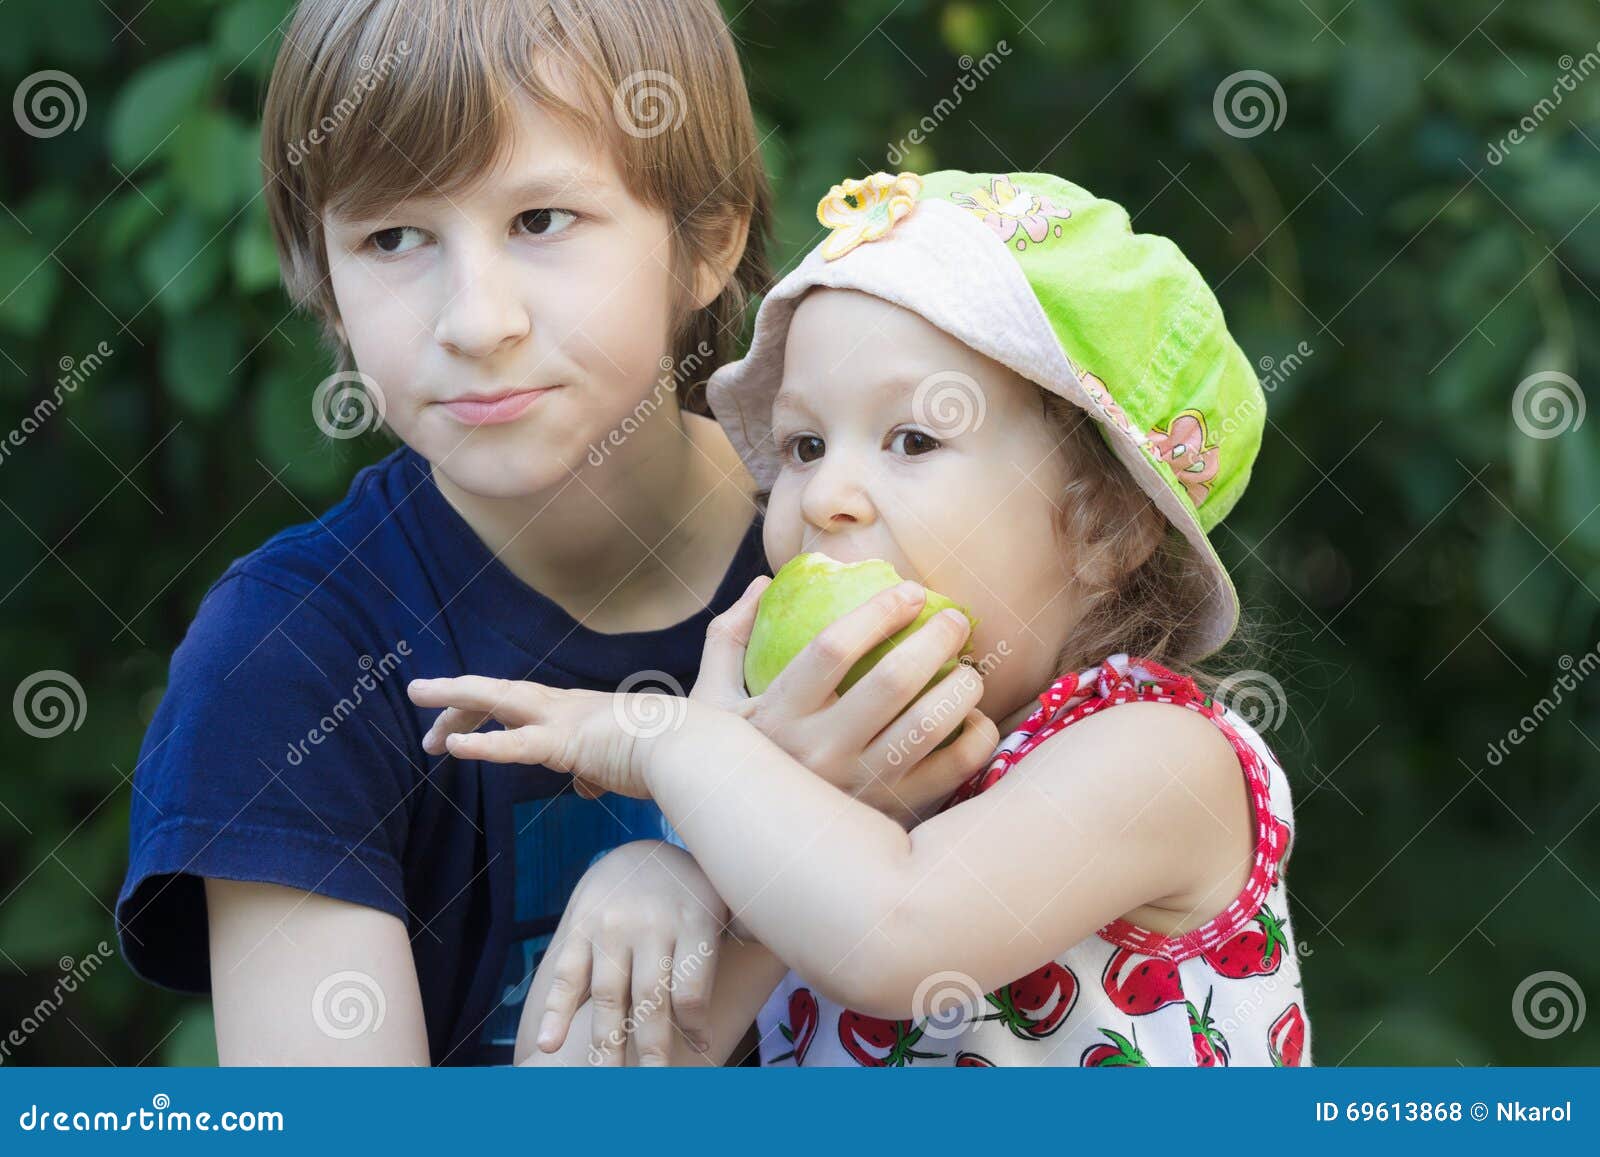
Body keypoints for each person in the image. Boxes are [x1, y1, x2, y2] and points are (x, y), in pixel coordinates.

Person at [115, 0, 976, 1066]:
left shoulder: (895, 532)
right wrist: (741, 869)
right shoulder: (287, 659)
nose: (477, 321)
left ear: (706, 237)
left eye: (540, 222)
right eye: (392, 237)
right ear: (325, 278)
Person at [412, 169, 1313, 1067]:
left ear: (1106, 525)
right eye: (805, 445)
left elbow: (893, 933)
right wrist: (669, 874)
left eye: (914, 439)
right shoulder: (786, 816)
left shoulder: (1159, 756)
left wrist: (673, 746)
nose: (827, 495)